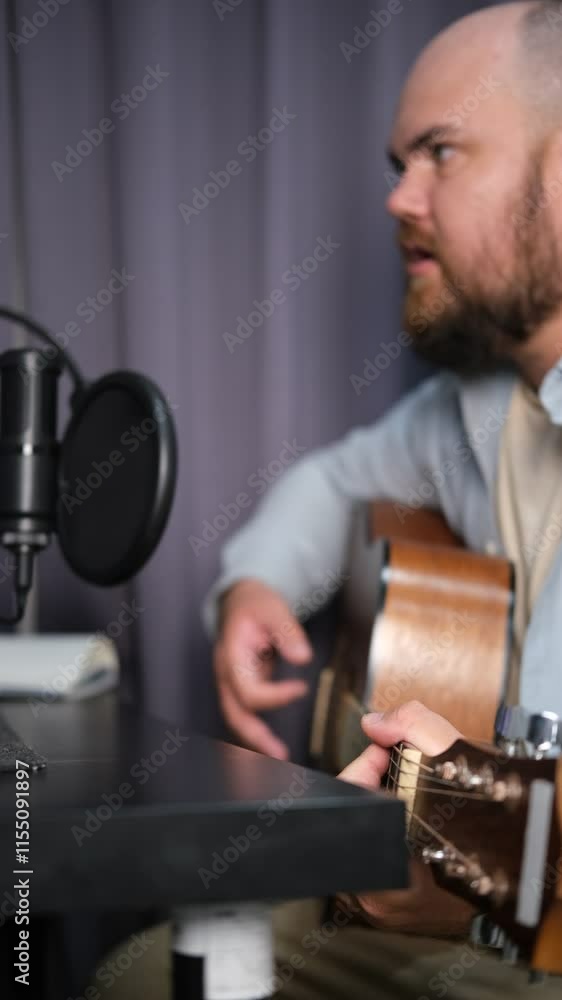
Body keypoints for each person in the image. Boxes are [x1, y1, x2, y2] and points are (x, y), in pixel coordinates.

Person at [94, 2, 562, 996]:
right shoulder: (478, 407)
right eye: (397, 164)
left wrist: (490, 840)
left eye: (440, 152)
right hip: (478, 911)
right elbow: (337, 479)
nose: (398, 199)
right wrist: (255, 583)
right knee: (152, 967)